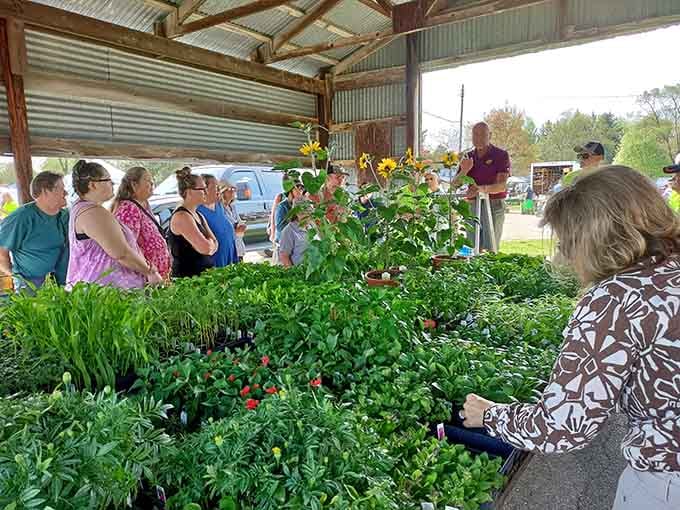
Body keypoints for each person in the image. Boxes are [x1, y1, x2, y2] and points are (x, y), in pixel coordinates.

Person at [461, 165, 680, 510]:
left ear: (594, 238)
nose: (564, 251)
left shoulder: (617, 301)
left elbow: (563, 427)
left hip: (667, 480)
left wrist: (490, 415)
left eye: (567, 239)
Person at [67, 161, 162, 289]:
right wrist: (149, 271)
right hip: (104, 294)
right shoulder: (92, 212)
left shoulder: (87, 209)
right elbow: (121, 253)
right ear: (92, 185)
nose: (112, 184)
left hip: (105, 291)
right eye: (107, 180)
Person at [0, 172, 69, 292]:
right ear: (45, 191)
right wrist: (16, 277)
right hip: (31, 286)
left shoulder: (65, 216)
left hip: (61, 283)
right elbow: (1, 253)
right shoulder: (21, 218)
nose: (66, 193)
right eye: (62, 189)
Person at [458, 122, 511, 252]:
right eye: (475, 134)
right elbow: (455, 184)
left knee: (490, 248)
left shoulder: (501, 155)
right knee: (472, 246)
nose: (478, 138)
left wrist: (481, 189)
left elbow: (502, 186)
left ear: (490, 135)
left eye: (483, 134)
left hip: (493, 204)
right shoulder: (468, 156)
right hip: (473, 205)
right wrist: (464, 170)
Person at [111, 167, 171, 280]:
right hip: (144, 278)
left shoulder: (144, 204)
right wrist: (148, 270)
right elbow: (127, 246)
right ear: (134, 185)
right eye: (147, 180)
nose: (152, 183)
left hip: (156, 276)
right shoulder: (129, 209)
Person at [168, 168, 218, 278]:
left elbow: (215, 243)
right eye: (202, 189)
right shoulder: (182, 216)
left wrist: (209, 245)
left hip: (202, 277)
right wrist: (209, 244)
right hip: (187, 280)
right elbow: (206, 248)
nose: (206, 192)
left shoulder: (199, 215)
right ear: (189, 192)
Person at [197, 174, 238, 268]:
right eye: (216, 187)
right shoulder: (198, 211)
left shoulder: (218, 205)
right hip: (215, 261)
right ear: (205, 189)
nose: (219, 190)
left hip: (229, 254)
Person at [279, 197, 311, 267]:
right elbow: (284, 256)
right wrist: (293, 273)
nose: (307, 215)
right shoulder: (289, 231)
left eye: (309, 212)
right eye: (303, 213)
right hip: (300, 271)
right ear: (296, 213)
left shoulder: (312, 226)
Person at [274, 179, 304, 252]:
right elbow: (279, 227)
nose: (300, 192)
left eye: (301, 189)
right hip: (284, 242)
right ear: (290, 191)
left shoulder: (301, 205)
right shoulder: (282, 206)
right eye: (297, 189)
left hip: (296, 240)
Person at [221, 182, 247, 262]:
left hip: (238, 246)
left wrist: (242, 227)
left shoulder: (232, 206)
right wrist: (236, 230)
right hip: (229, 246)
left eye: (233, 189)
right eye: (229, 189)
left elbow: (239, 223)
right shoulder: (220, 209)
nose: (232, 191)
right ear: (222, 192)